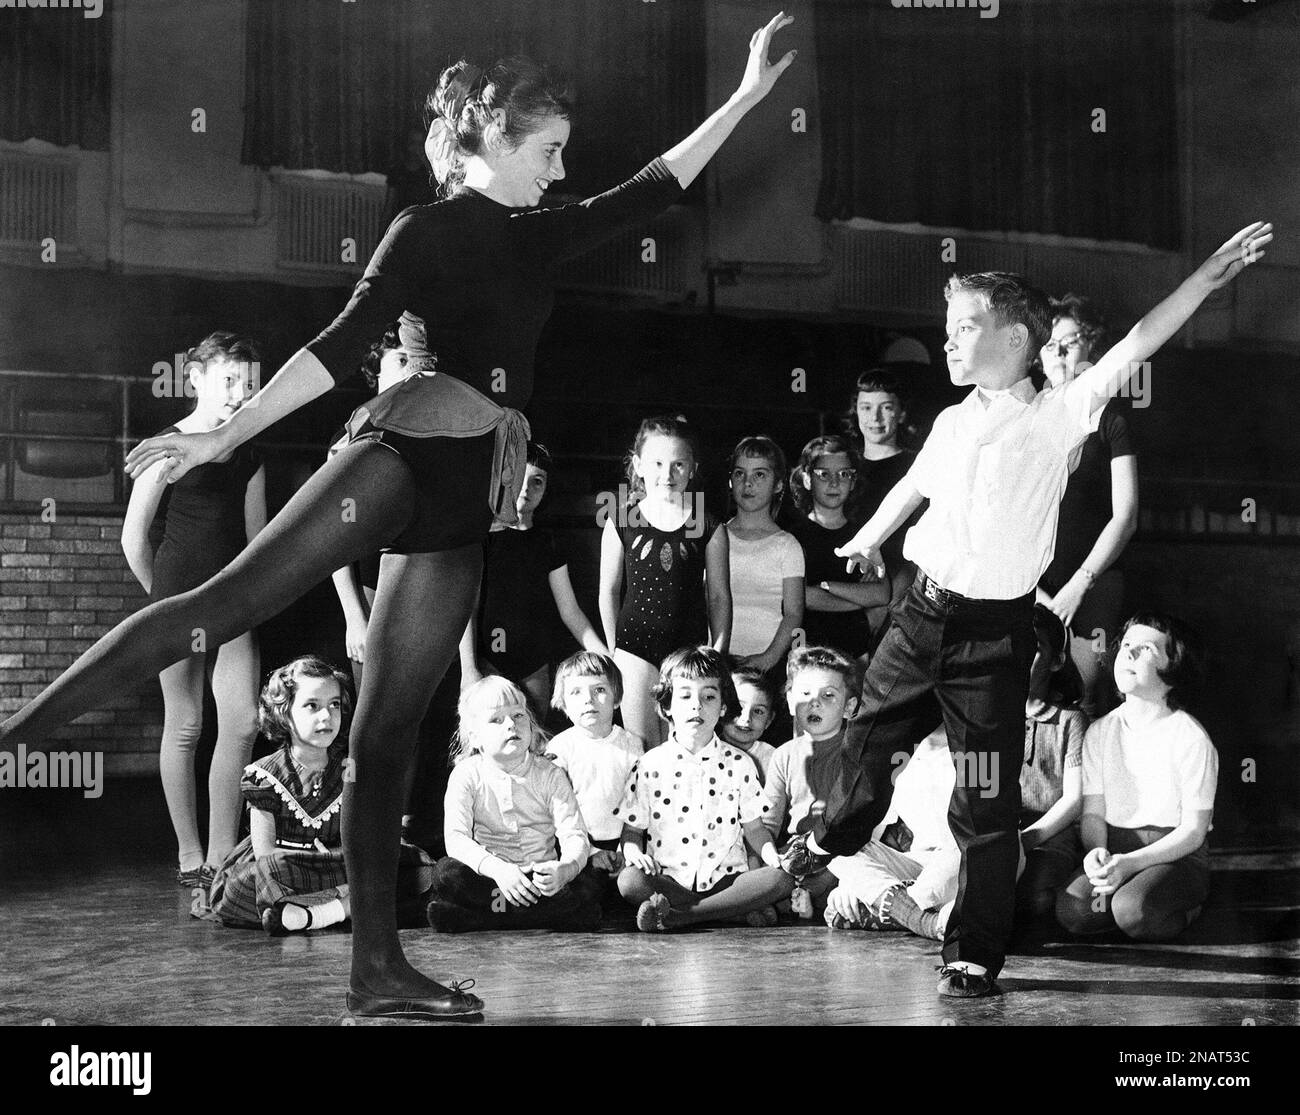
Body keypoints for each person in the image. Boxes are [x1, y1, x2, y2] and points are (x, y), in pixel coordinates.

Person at [2, 14, 801, 1020]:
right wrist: (221, 435)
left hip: (463, 497)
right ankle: (15, 734)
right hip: (401, 453)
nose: (560, 171)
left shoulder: (540, 231)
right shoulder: (424, 230)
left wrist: (745, 96)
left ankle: (375, 969)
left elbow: (656, 186)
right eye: (547, 150)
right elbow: (339, 343)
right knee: (217, 602)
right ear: (493, 138)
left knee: (386, 738)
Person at [783, 221, 1272, 997]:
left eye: (963, 328)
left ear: (1015, 339)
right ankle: (829, 834)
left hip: (991, 640)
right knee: (867, 749)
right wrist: (869, 539)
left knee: (984, 801)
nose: (946, 343)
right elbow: (915, 485)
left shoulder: (1061, 414)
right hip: (917, 621)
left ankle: (973, 951)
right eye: (945, 330)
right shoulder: (950, 421)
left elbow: (1138, 341)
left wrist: (1208, 276)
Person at [120, 332, 266, 888]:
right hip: (178, 601)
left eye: (247, 384)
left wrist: (247, 601)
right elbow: (134, 538)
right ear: (196, 377)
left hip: (233, 603)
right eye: (228, 380)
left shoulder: (250, 450)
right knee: (184, 725)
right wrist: (165, 601)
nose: (238, 392)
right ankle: (188, 855)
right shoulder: (166, 446)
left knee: (244, 723)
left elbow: (257, 544)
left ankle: (221, 856)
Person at [207, 656, 430, 933]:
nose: (326, 716)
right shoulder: (263, 775)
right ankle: (348, 904)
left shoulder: (348, 767)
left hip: (336, 862)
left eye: (333, 705)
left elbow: (361, 829)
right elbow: (265, 852)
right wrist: (318, 861)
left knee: (409, 862)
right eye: (312, 706)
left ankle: (318, 913)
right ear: (284, 714)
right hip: (287, 868)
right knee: (260, 875)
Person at [1057, 613, 1217, 941]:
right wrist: (1096, 852)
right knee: (1073, 912)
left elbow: (1192, 832)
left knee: (1134, 910)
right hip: (1116, 850)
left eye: (1145, 650)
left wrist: (1131, 864)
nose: (1128, 654)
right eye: (1126, 645)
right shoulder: (1100, 731)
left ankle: (1187, 906)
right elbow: (1093, 813)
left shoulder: (1190, 737)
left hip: (1175, 855)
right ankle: (1127, 904)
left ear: (1174, 668)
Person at [613, 647, 795, 930]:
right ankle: (729, 911)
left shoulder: (740, 764)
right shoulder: (649, 765)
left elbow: (756, 829)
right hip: (670, 879)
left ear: (723, 707)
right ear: (667, 706)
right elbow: (632, 832)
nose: (696, 706)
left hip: (727, 880)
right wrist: (633, 853)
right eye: (685, 696)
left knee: (781, 878)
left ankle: (681, 916)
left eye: (708, 696)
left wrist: (773, 856)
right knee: (630, 881)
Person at [425, 676, 603, 933]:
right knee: (445, 873)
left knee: (590, 881)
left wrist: (564, 870)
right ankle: (540, 918)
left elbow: (574, 835)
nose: (511, 724)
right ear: (475, 738)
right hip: (492, 880)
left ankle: (483, 920)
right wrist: (499, 870)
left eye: (518, 715)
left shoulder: (550, 774)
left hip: (541, 881)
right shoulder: (466, 774)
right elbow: (456, 840)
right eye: (496, 720)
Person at [599, 416, 731, 746]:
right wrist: (615, 650)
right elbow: (609, 590)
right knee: (642, 750)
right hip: (634, 649)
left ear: (692, 468)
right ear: (639, 465)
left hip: (688, 650)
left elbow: (718, 596)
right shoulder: (622, 517)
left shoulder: (707, 523)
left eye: (678, 465)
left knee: (686, 749)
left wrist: (717, 652)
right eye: (657, 463)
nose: (667, 474)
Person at [1036, 295, 1139, 716]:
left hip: (1093, 581)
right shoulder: (1023, 417)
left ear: (1092, 349)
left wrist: (1080, 585)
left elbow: (1125, 516)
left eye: (1071, 340)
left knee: (1084, 701)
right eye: (1049, 343)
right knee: (1023, 695)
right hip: (1028, 582)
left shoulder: (1112, 422)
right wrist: (1033, 594)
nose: (1058, 352)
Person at [460, 442, 607, 716]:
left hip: (535, 666)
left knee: (535, 741)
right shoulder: (483, 540)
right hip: (489, 664)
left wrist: (603, 653)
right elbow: (468, 608)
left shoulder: (548, 542)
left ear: (546, 489)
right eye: (519, 479)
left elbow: (570, 611)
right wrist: (469, 669)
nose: (526, 488)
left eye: (536, 482)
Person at [330, 327, 417, 691]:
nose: (411, 371)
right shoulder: (349, 439)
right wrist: (354, 617)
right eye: (400, 360)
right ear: (375, 368)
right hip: (371, 587)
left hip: (419, 585)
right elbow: (334, 544)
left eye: (416, 362)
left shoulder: (428, 434)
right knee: (372, 710)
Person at [823, 726, 959, 942]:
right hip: (920, 863)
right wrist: (849, 882)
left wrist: (867, 889)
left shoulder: (978, 753)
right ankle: (928, 917)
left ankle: (904, 912)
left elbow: (990, 831)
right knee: (835, 842)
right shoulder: (899, 757)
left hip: (964, 859)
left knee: (839, 912)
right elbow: (869, 827)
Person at [761, 646, 862, 918]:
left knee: (846, 870)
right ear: (791, 700)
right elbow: (769, 821)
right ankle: (794, 901)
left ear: (849, 707)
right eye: (805, 694)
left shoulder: (857, 752)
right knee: (770, 875)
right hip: (798, 852)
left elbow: (864, 819)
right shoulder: (783, 755)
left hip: (839, 852)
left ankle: (806, 904)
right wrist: (771, 856)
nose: (814, 703)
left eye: (828, 695)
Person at [1016, 604, 1089, 924]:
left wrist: (1028, 838)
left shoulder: (1070, 721)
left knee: (1033, 900)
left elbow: (1073, 801)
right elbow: (978, 786)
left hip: (1050, 835)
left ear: (1057, 660)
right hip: (1003, 834)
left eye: (1031, 648)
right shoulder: (988, 717)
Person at [786, 434, 888, 660]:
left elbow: (881, 594)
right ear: (806, 479)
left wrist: (826, 586)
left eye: (843, 474)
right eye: (824, 474)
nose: (834, 482)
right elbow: (802, 598)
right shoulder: (792, 537)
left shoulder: (865, 536)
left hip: (856, 651)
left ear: (853, 481)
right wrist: (859, 601)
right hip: (807, 649)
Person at [545, 652, 643, 876]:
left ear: (616, 698)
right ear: (564, 705)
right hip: (575, 846)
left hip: (624, 843)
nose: (588, 699)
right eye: (576, 692)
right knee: (584, 891)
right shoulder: (560, 748)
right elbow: (555, 811)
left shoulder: (632, 745)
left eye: (599, 690)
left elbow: (637, 805)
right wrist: (590, 852)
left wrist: (626, 850)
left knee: (635, 883)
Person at [848, 369, 924, 638]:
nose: (875, 418)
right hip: (846, 589)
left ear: (901, 413)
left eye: (886, 408)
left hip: (902, 591)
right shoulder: (843, 466)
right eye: (866, 407)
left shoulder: (918, 468)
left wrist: (890, 598)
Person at [725, 436, 804, 678]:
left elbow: (793, 613)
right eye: (740, 473)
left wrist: (767, 658)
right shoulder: (717, 537)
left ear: (778, 484)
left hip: (766, 667)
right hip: (718, 662)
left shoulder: (787, 545)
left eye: (759, 475)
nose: (748, 483)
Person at [719, 664, 778, 783]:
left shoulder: (773, 759)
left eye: (758, 711)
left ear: (769, 720)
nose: (746, 718)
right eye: (739, 706)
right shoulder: (707, 750)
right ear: (720, 709)